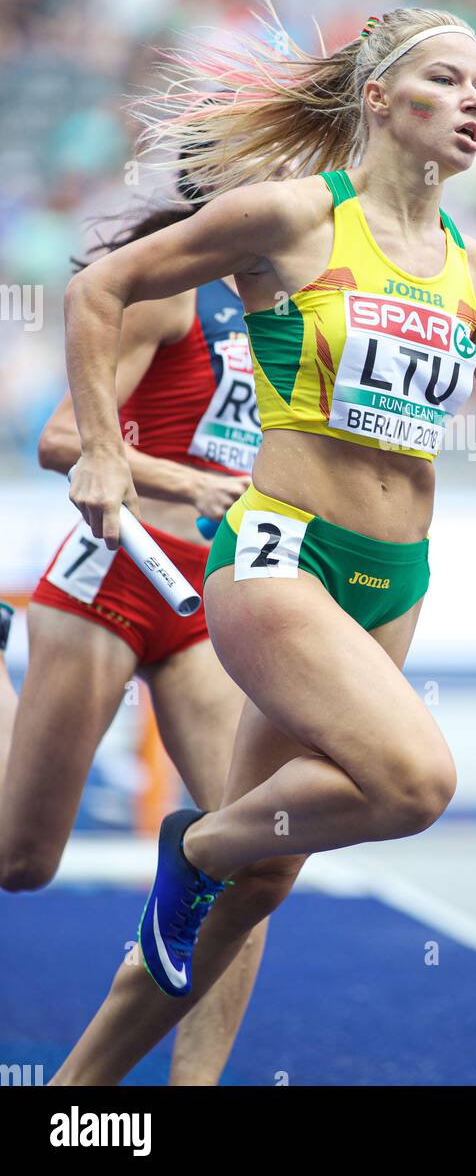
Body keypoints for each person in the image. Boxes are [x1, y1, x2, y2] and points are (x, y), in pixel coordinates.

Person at [52, 6, 476, 1084]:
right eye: (446, 78)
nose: (474, 99)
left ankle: (81, 1097)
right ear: (379, 98)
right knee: (413, 783)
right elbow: (100, 288)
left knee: (265, 880)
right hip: (282, 557)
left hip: (395, 579)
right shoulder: (291, 217)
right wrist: (102, 449)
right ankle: (191, 846)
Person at [0, 204, 272, 1086]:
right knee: (21, 861)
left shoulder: (305, 307)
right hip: (111, 575)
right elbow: (62, 440)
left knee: (245, 853)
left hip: (208, 597)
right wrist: (184, 477)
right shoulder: (174, 295)